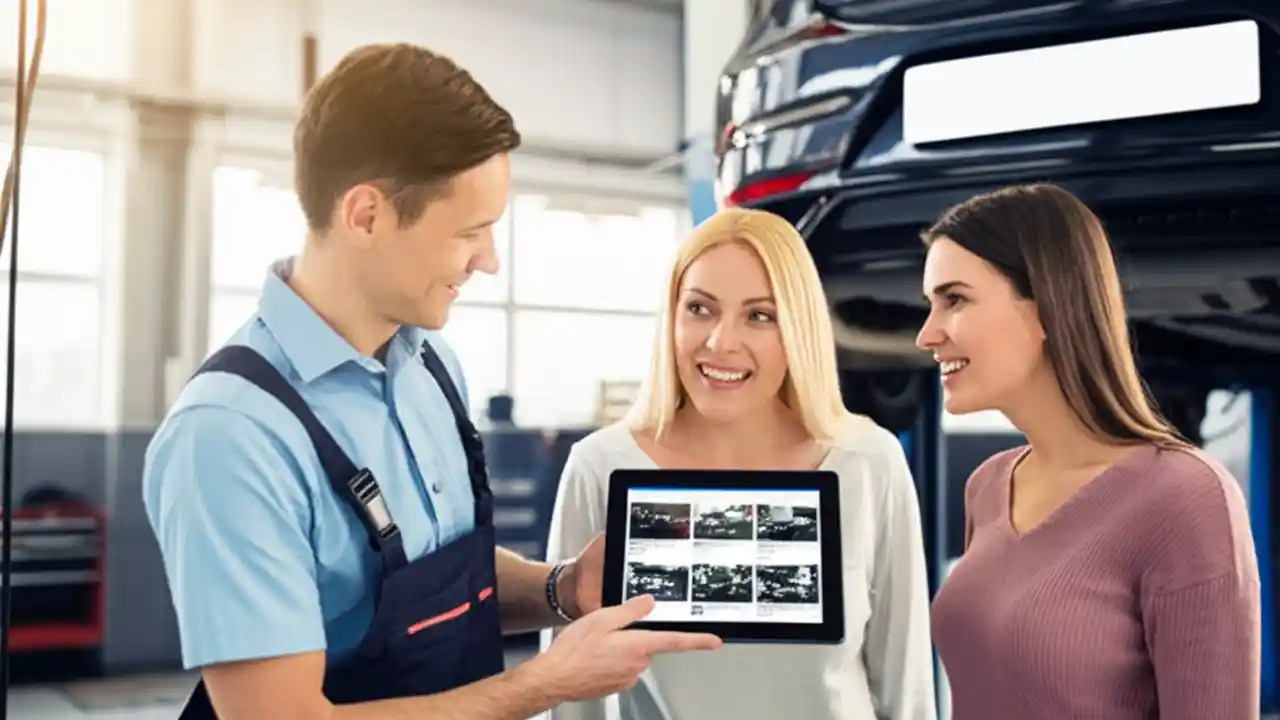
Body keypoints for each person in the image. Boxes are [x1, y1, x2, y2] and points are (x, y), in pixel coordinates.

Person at [142, 42, 720, 720]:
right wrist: (546, 682)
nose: (490, 261)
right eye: (470, 232)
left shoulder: (430, 367)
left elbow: (441, 591)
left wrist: (563, 589)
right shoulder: (231, 437)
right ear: (366, 215)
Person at [541, 207, 937, 720]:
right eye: (700, 309)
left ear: (798, 328)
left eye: (760, 315)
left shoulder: (868, 462)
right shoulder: (601, 467)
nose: (721, 342)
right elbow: (573, 700)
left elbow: (906, 695)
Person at [920, 183, 1261, 719]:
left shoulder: (1184, 495)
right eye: (930, 304)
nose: (926, 334)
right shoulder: (988, 486)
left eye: (954, 300)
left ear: (1047, 308)